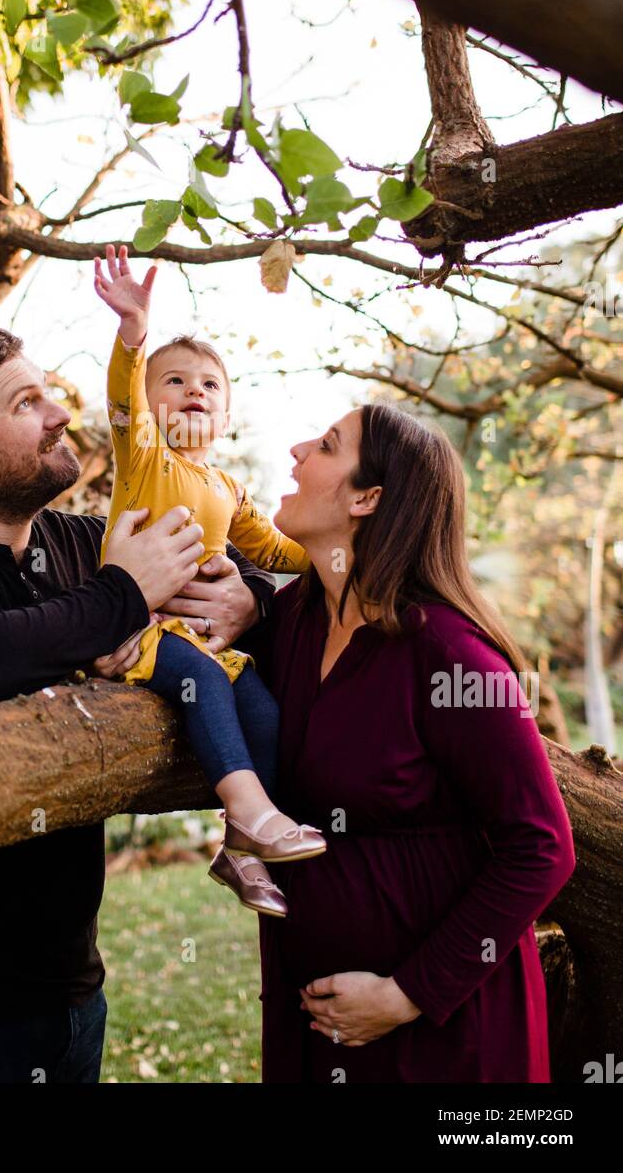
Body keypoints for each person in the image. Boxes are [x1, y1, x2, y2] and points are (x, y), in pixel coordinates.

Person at [0, 319, 276, 1084]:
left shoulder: (85, 542)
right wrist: (123, 594)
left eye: (50, 392)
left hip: (71, 997)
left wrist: (251, 599)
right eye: (27, 403)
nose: (62, 414)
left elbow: (228, 559)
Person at [232, 403, 577, 1082]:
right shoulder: (295, 620)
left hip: (444, 1038)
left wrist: (407, 995)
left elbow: (543, 847)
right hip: (316, 1024)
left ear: (367, 498)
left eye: (327, 444)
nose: (297, 449)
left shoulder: (450, 656)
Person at [93, 242, 326, 919]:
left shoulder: (228, 487)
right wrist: (134, 333)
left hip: (205, 642)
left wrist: (341, 551)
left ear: (225, 418)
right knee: (202, 681)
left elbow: (277, 551)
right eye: (173, 381)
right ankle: (250, 811)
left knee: (263, 711)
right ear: (147, 405)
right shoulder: (144, 456)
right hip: (142, 633)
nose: (194, 390)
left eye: (210, 385)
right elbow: (122, 398)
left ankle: (241, 851)